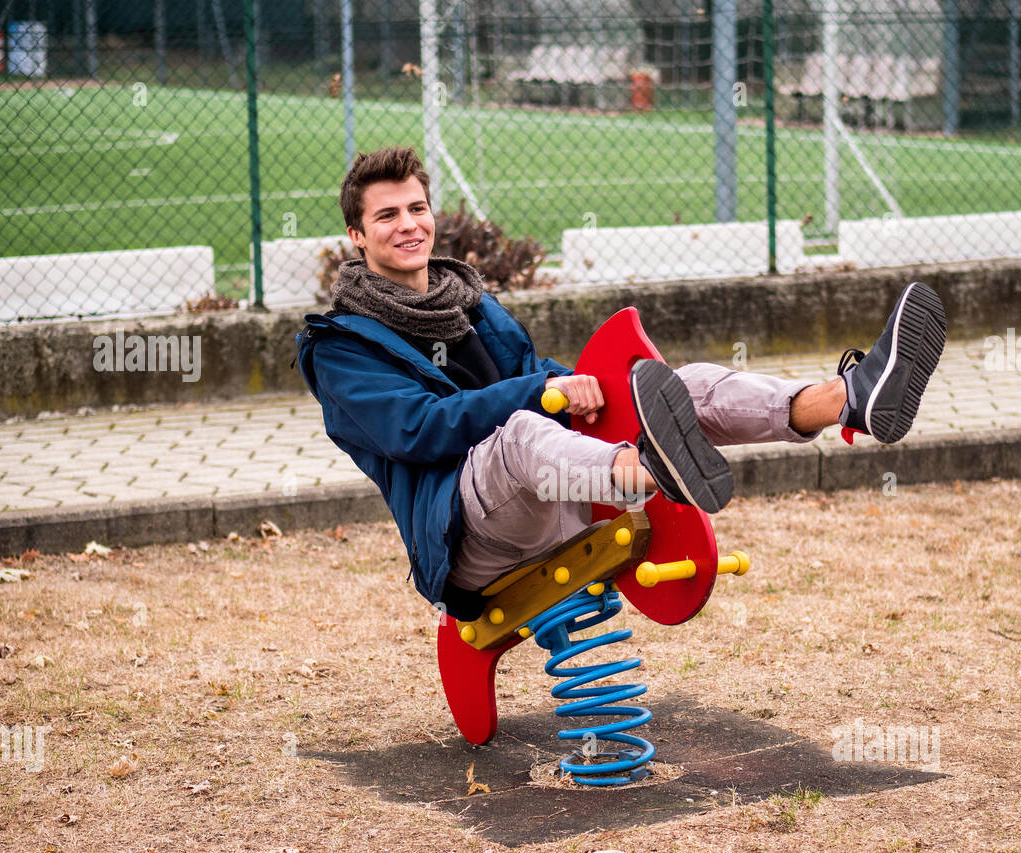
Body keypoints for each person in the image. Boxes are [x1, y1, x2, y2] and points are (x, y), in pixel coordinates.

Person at [295, 146, 946, 621]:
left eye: (417, 208)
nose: (408, 224)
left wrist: (581, 386)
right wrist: (542, 395)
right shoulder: (342, 347)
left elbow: (532, 373)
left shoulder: (468, 300)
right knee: (523, 430)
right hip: (465, 537)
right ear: (357, 236)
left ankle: (846, 398)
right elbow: (419, 429)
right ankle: (650, 467)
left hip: (566, 488)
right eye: (387, 216)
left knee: (677, 383)